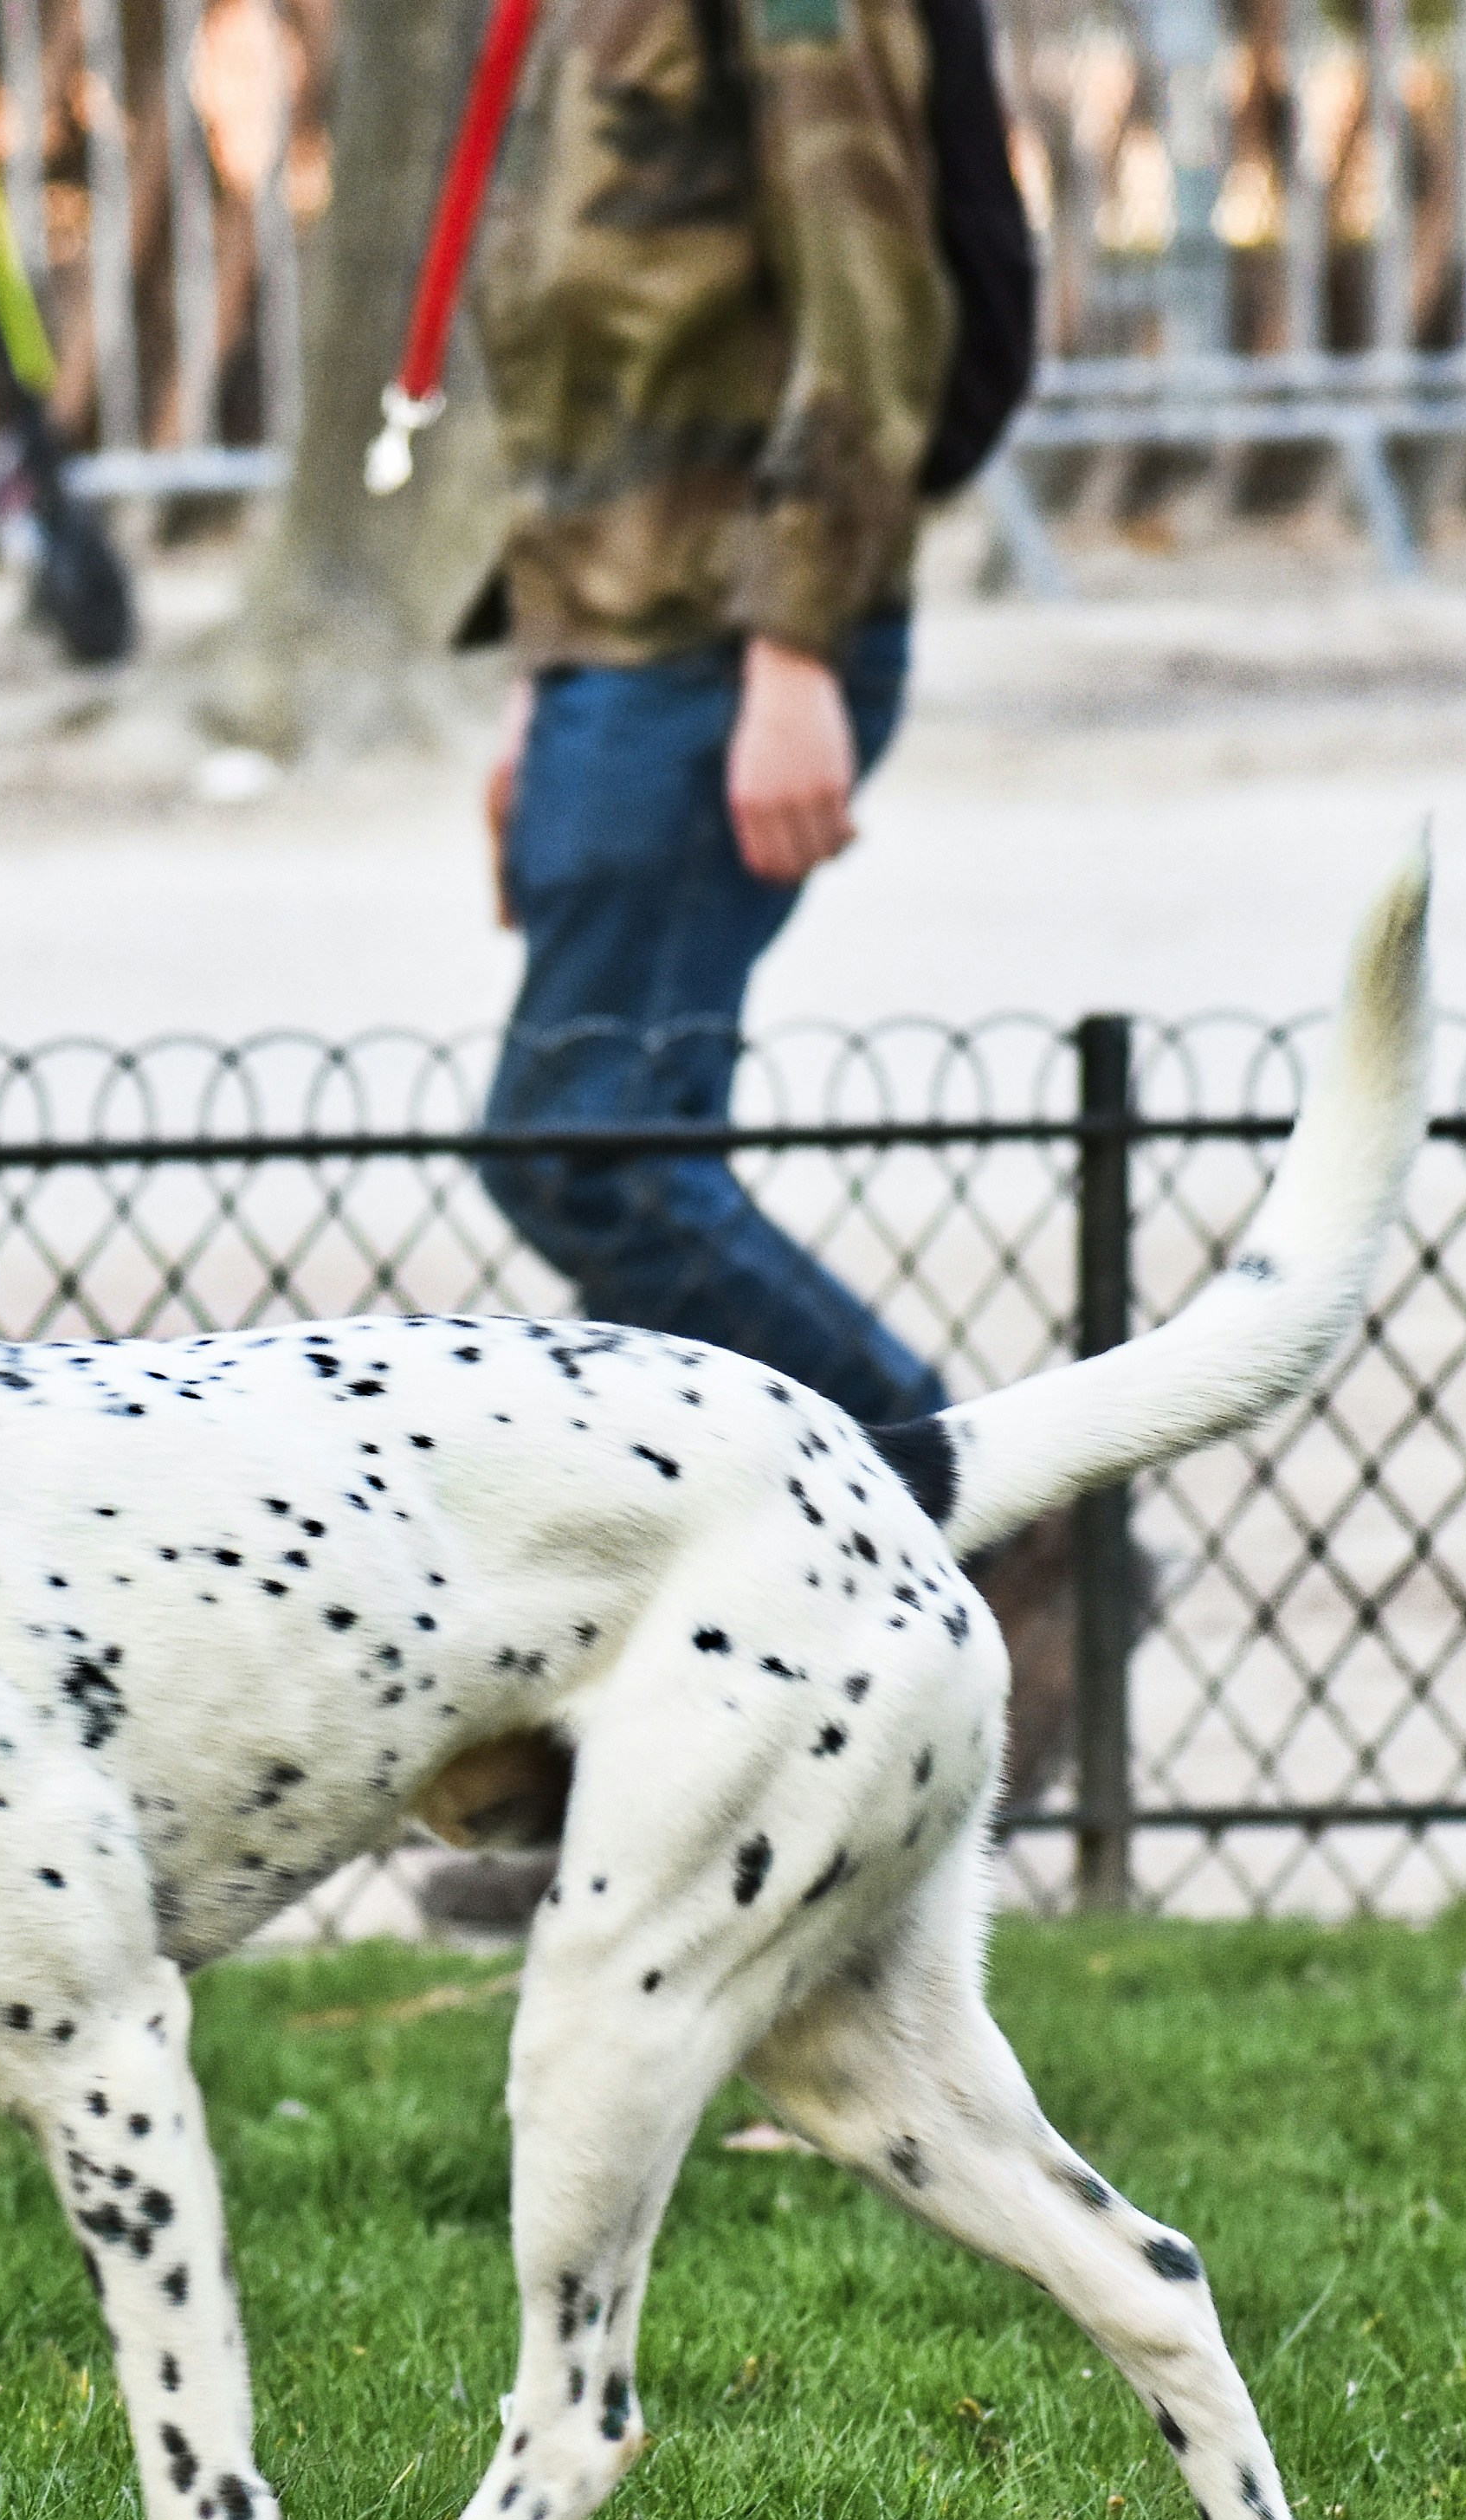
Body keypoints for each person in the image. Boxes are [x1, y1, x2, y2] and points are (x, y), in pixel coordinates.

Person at [421, 0, 1086, 1921]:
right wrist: (547, 682)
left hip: (729, 645)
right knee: (616, 1143)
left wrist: (796, 645)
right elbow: (595, 339)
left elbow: (871, 294)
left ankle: (976, 1525)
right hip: (625, 650)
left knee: (587, 1148)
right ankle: (715, 1747)